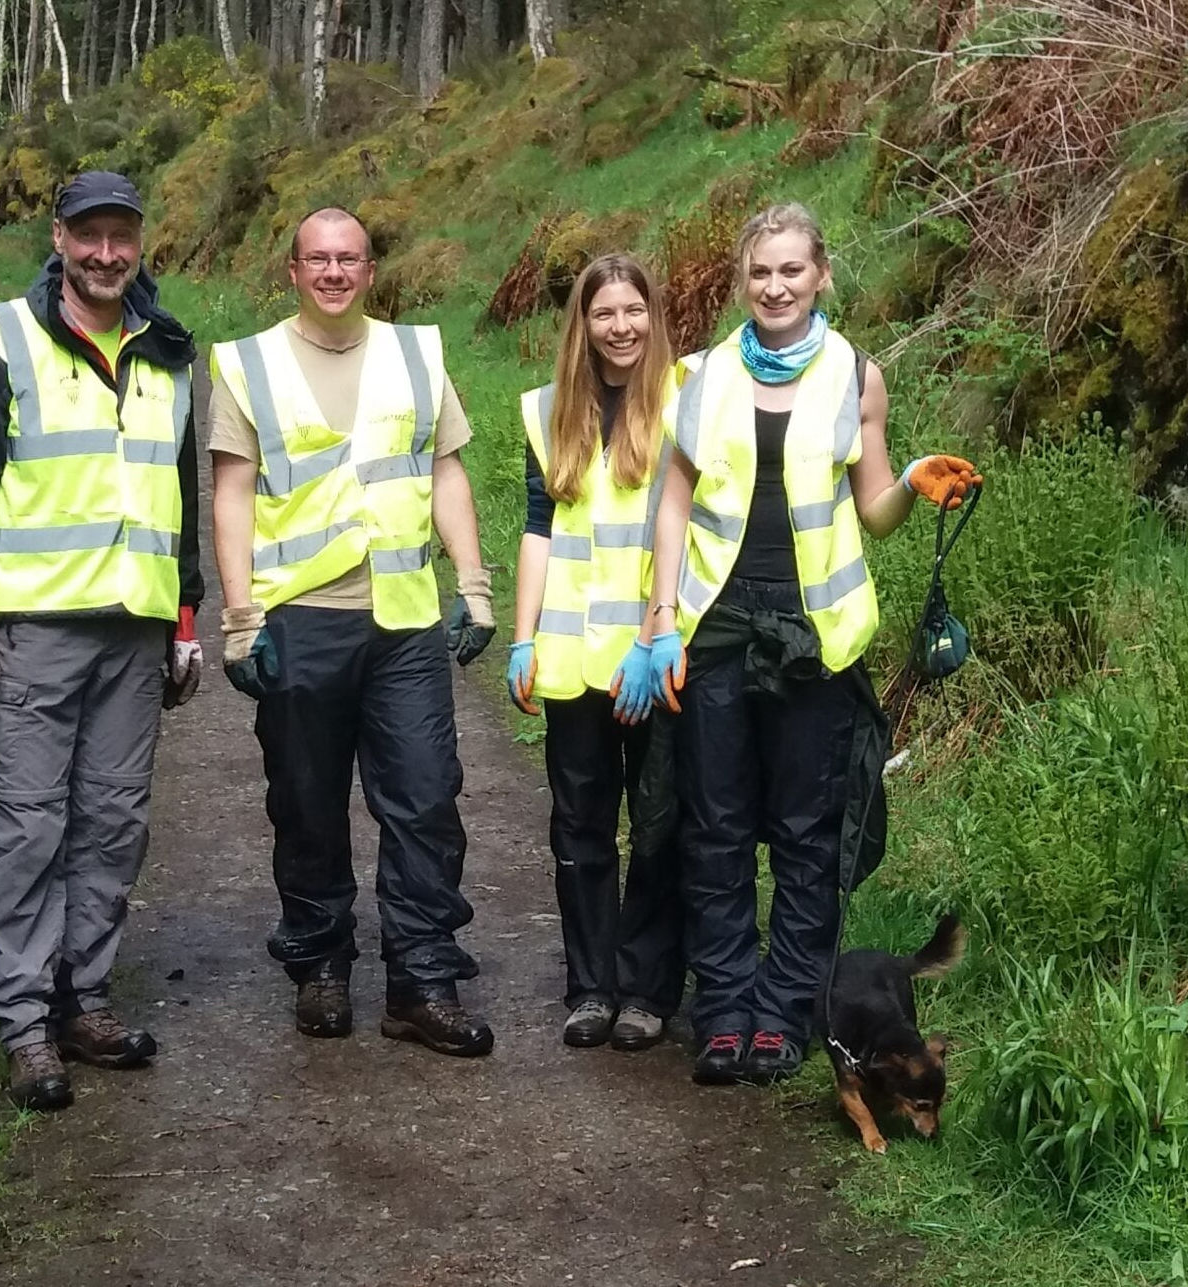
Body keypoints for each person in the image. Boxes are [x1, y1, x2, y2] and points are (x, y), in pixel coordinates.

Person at [642, 203, 980, 1087]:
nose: (776, 286)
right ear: (742, 279)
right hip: (715, 629)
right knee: (713, 830)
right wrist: (658, 622)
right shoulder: (700, 377)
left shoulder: (857, 378)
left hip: (815, 641)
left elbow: (872, 507)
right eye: (761, 271)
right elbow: (671, 502)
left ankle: (785, 1011)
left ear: (821, 274)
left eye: (792, 269)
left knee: (804, 836)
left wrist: (912, 480)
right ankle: (721, 1009)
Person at [0, 170, 205, 1112]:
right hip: (32, 628)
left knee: (113, 822)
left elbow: (181, 499)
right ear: (59, 236)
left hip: (134, 628)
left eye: (122, 235)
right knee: (31, 822)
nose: (106, 254)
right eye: (89, 236)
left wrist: (187, 615)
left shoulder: (167, 353)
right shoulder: (1, 341)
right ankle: (25, 1021)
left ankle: (84, 998)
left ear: (139, 240)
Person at [209, 206, 496, 1058]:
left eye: (351, 258)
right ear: (292, 270)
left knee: (423, 800)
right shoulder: (250, 364)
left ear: (372, 270)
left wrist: (473, 587)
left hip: (403, 622)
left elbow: (446, 470)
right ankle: (321, 964)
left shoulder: (417, 354)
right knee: (306, 802)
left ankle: (422, 980)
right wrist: (238, 617)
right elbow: (231, 491)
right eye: (318, 259)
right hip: (299, 619)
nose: (335, 272)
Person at [509, 254, 687, 1051]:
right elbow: (538, 530)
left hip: (654, 658)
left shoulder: (686, 403)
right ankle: (590, 987)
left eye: (633, 311)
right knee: (579, 828)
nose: (620, 327)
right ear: (582, 324)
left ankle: (648, 990)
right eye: (604, 313)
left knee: (656, 827)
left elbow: (694, 529)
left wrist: (658, 633)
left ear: (654, 317)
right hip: (576, 661)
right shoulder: (551, 411)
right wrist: (521, 638)